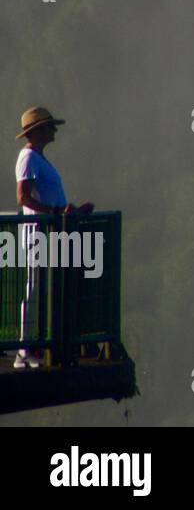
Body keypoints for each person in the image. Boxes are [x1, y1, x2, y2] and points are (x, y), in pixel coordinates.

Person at [12, 107, 92, 369]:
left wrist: (71, 210)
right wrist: (55, 212)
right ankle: (24, 351)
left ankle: (35, 347)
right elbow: (23, 197)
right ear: (37, 132)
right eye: (49, 126)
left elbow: (46, 195)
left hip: (48, 233)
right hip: (37, 232)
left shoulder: (38, 158)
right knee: (34, 291)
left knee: (44, 291)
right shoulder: (28, 158)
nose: (54, 130)